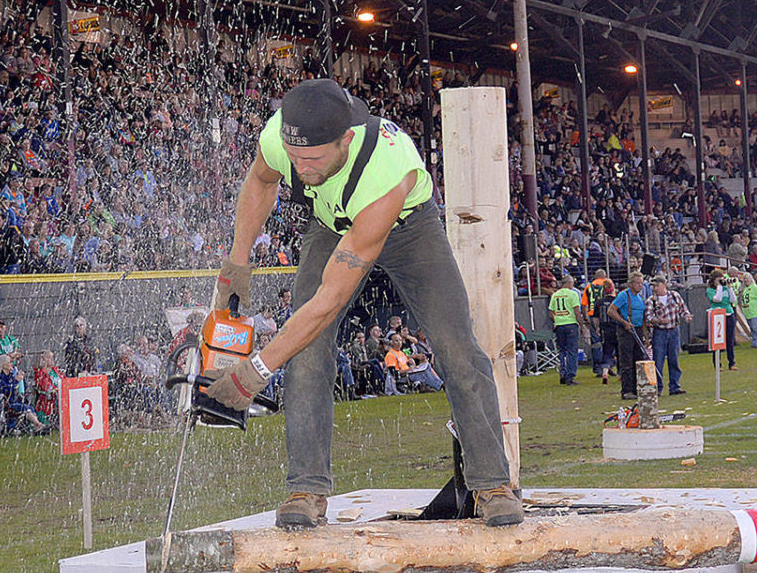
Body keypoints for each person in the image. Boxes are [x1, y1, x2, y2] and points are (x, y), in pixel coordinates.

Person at [204, 78, 520, 529]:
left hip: (407, 229)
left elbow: (329, 301)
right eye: (296, 159)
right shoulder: (280, 137)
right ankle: (305, 489)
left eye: (313, 159)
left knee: (456, 347)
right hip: (332, 223)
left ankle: (492, 482)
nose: (302, 168)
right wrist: (237, 262)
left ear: (345, 141)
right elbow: (260, 180)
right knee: (307, 354)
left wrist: (252, 374)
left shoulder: (387, 168)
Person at [643, 277, 692, 396]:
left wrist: (687, 316)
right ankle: (657, 387)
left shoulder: (674, 296)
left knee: (674, 358)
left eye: (657, 286)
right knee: (658, 361)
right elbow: (648, 317)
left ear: (664, 285)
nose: (655, 288)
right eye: (653, 286)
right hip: (660, 332)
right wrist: (658, 320)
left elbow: (683, 309)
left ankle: (675, 386)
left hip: (674, 329)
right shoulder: (651, 300)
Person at [606, 271, 648, 400]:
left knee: (638, 360)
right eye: (638, 283)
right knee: (627, 361)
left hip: (638, 329)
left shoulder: (640, 297)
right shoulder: (623, 295)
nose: (640, 285)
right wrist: (623, 322)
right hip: (626, 331)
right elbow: (611, 310)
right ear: (631, 284)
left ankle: (637, 388)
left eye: (642, 283)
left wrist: (645, 336)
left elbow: (643, 318)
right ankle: (627, 390)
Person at [548, 274, 583, 385]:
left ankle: (563, 373)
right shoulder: (573, 294)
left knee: (562, 351)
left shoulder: (555, 295)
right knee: (572, 351)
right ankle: (570, 376)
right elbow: (576, 311)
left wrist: (557, 319)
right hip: (571, 324)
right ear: (570, 283)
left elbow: (550, 312)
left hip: (559, 325)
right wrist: (581, 325)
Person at [706, 268, 741, 370]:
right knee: (717, 341)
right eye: (718, 279)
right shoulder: (710, 290)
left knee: (730, 340)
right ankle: (717, 364)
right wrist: (719, 287)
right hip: (717, 315)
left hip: (729, 313)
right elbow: (717, 299)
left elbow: (733, 300)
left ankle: (732, 363)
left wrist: (729, 288)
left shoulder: (726, 288)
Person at [591, 278, 617, 385]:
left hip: (605, 330)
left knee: (607, 352)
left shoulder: (599, 302)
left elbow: (596, 318)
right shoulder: (616, 301)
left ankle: (605, 372)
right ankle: (621, 373)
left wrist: (597, 328)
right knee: (619, 351)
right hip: (616, 329)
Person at [739, 272, 757, 348]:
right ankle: (755, 342)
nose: (746, 280)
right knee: (751, 327)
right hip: (747, 311)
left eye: (747, 278)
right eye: (744, 278)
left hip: (755, 311)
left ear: (751, 279)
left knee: (755, 326)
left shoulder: (755, 287)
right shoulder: (744, 289)